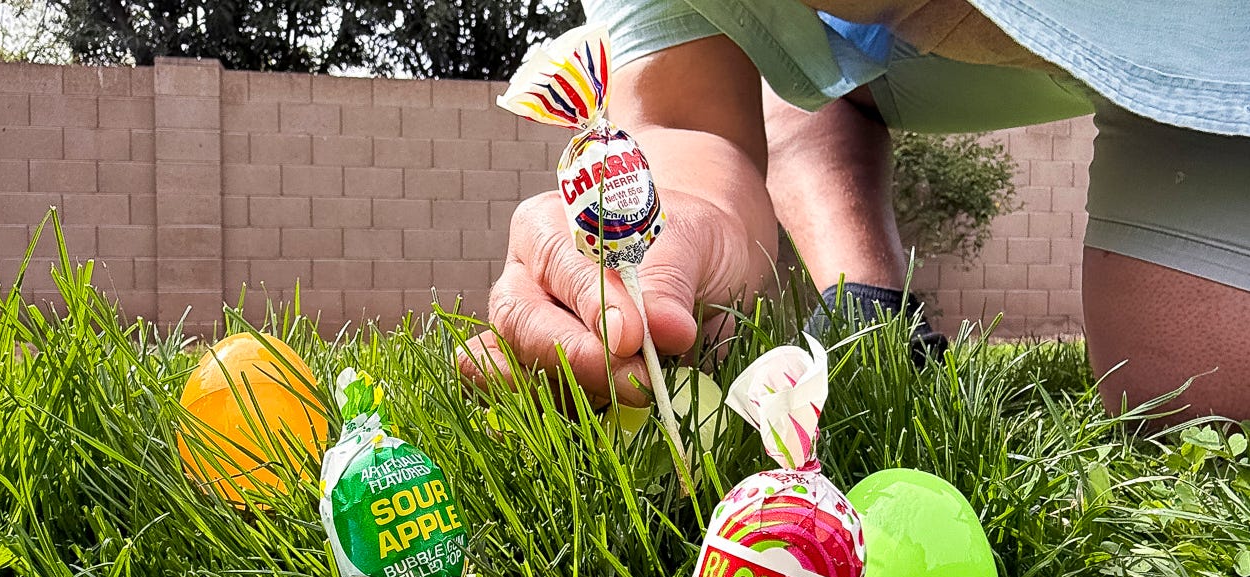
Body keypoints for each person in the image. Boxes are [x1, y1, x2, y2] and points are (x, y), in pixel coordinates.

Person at [457, 0, 1250, 422]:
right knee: (1181, 399)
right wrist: (684, 223)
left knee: (1205, 408)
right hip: (925, 47)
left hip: (1214, 36)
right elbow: (686, 121)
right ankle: (872, 311)